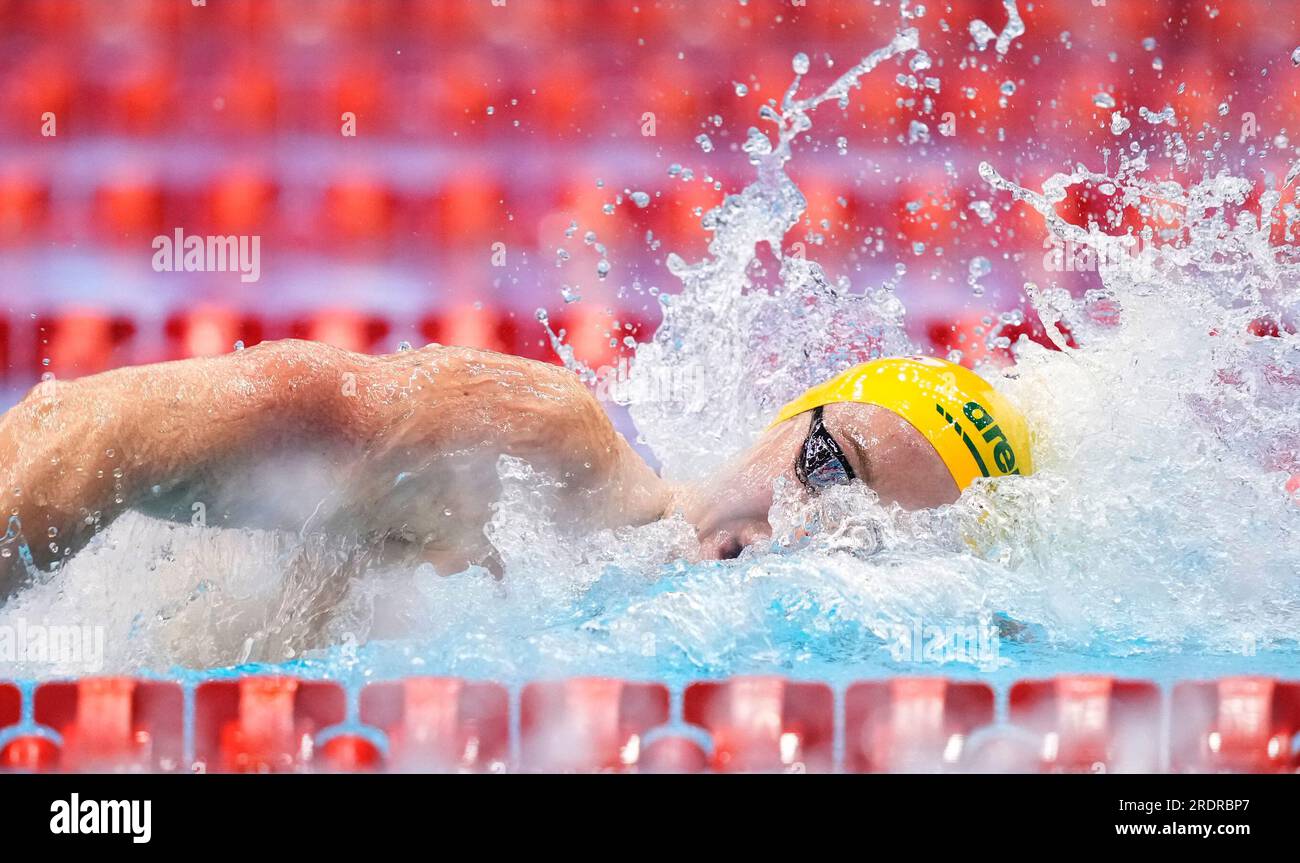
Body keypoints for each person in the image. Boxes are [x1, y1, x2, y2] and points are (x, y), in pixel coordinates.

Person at [0, 339, 1032, 597]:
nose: (809, 522)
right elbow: (92, 427)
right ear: (781, 423)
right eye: (829, 467)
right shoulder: (543, 445)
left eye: (870, 531)